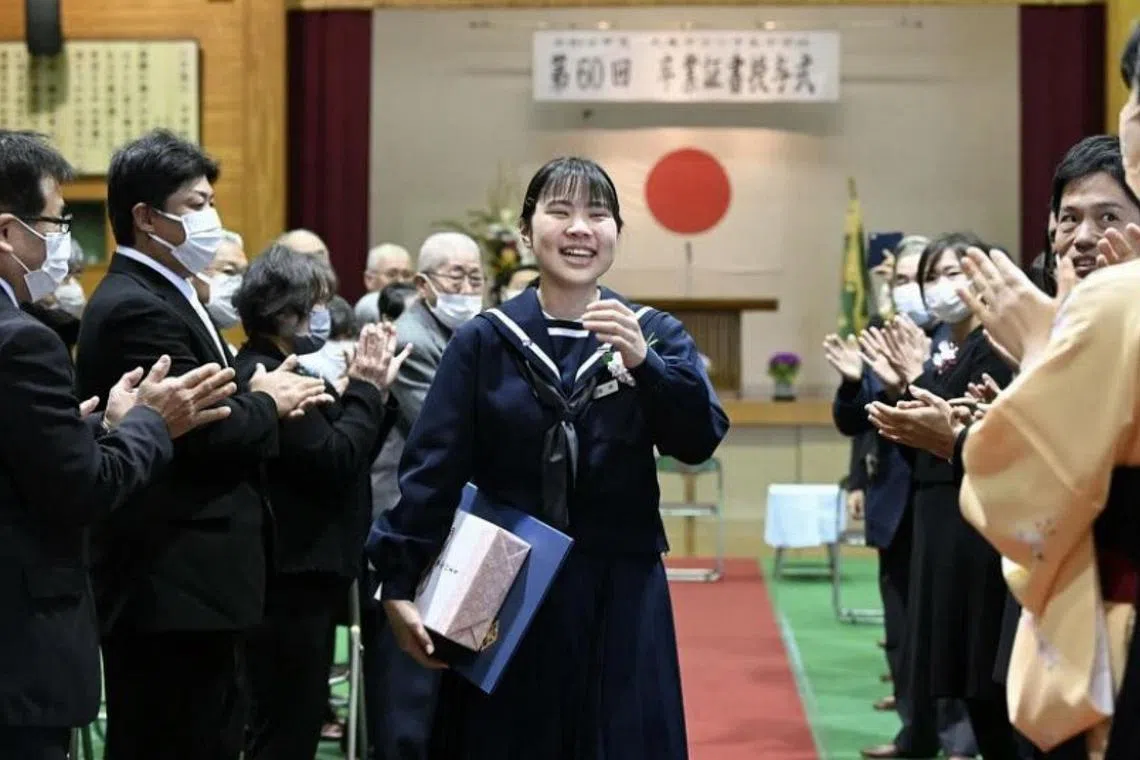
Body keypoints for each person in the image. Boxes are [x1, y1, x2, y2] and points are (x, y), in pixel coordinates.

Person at [367, 156, 728, 758]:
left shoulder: (652, 332)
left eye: (597, 215)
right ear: (526, 233)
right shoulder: (484, 340)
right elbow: (433, 468)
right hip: (501, 578)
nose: (580, 228)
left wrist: (647, 366)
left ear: (616, 234)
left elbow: (698, 440)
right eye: (559, 212)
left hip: (621, 581)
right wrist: (397, 578)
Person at [73, 128, 333, 760]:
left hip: (197, 585)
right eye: (194, 205)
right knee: (175, 737)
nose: (210, 218)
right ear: (145, 216)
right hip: (170, 580)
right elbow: (197, 434)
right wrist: (268, 401)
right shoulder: (140, 307)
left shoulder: (168, 294)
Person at [0, 130, 237, 760]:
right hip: (22, 639)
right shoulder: (23, 340)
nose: (64, 243)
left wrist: (90, 433)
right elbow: (84, 488)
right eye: (54, 222)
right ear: (7, 233)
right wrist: (146, 422)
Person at [233, 245, 406, 760]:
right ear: (282, 311)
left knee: (297, 718)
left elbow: (352, 460)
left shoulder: (293, 368)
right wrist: (366, 390)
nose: (323, 316)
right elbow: (332, 459)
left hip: (304, 575)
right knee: (285, 725)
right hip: (288, 579)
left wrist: (372, 394)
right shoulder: (271, 374)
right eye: (315, 304)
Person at [826, 235, 976, 760]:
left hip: (947, 499)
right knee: (904, 627)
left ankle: (958, 738)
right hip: (896, 498)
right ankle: (915, 734)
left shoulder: (957, 342)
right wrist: (852, 384)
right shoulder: (888, 336)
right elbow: (859, 421)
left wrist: (908, 384)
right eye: (903, 280)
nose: (911, 289)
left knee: (948, 627)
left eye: (921, 278)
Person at [365, 230, 483, 760]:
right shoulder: (412, 337)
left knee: (445, 673)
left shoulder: (466, 333)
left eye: (476, 276)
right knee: (408, 682)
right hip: (409, 521)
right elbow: (446, 432)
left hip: (456, 523)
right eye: (456, 276)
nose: (468, 286)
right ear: (423, 283)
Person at [356, 242, 414, 323]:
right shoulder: (370, 307)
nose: (401, 281)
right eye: (391, 274)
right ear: (369, 280)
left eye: (407, 275)